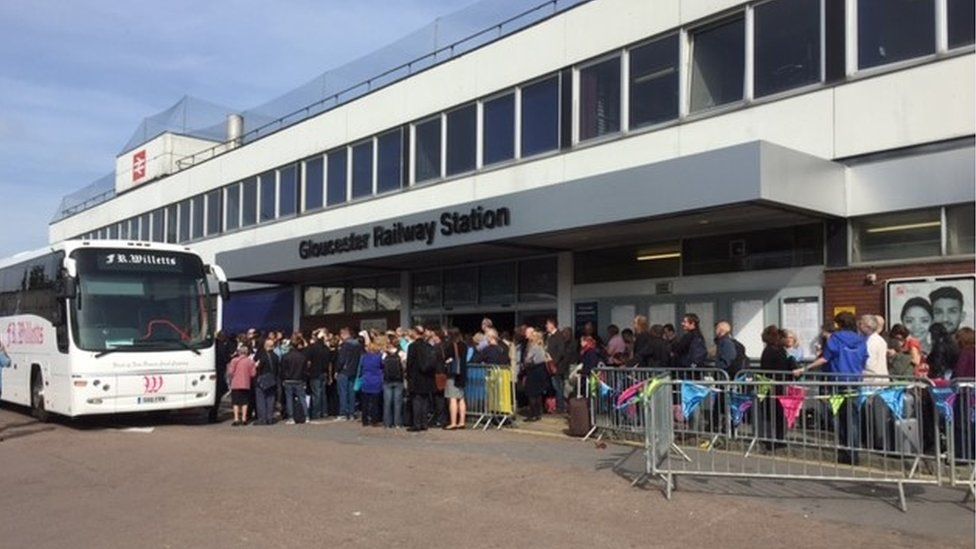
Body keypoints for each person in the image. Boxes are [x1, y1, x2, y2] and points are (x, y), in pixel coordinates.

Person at [793, 312, 867, 465]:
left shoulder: (836, 338)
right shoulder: (861, 340)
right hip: (855, 381)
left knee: (839, 418)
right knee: (853, 418)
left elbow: (825, 358)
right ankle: (854, 453)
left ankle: (845, 451)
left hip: (838, 381)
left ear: (839, 324)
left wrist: (805, 369)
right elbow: (864, 359)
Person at [758, 326, 792, 446]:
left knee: (771, 413)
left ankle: (772, 438)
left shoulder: (768, 350)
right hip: (779, 384)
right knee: (778, 413)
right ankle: (778, 439)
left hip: (769, 384)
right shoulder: (780, 351)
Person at [406, 330, 437, 432]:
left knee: (416, 401)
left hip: (416, 377)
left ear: (415, 334)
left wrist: (408, 375)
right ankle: (424, 423)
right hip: (427, 377)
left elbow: (409, 363)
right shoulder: (429, 346)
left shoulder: (412, 346)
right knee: (425, 401)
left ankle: (417, 424)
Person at [335, 327, 363, 421]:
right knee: (352, 393)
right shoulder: (358, 345)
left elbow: (341, 360)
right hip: (354, 371)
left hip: (344, 371)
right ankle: (352, 413)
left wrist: (337, 370)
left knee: (343, 392)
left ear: (343, 334)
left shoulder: (345, 345)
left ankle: (343, 413)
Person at [443, 328, 468, 429]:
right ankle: (462, 421)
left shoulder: (450, 345)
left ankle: (453, 422)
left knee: (452, 398)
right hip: (462, 373)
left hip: (453, 373)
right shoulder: (464, 345)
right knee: (461, 398)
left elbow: (446, 358)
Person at [280, 337, 309, 424]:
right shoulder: (302, 357)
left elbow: (283, 369)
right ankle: (306, 416)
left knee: (289, 399)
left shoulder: (285, 356)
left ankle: (291, 417)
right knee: (302, 398)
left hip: (288, 380)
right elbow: (305, 370)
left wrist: (283, 378)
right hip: (299, 379)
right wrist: (304, 380)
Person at [226, 344, 257, 426]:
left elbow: (230, 372)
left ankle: (236, 418)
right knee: (244, 402)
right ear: (247, 353)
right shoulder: (250, 361)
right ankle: (244, 418)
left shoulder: (234, 361)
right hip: (246, 384)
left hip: (235, 384)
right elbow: (253, 374)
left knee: (235, 402)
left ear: (239, 352)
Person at [522, 330, 548, 422]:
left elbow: (528, 360)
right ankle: (538, 414)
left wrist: (525, 362)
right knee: (538, 394)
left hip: (533, 372)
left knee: (531, 393)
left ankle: (532, 414)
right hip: (540, 371)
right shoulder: (542, 347)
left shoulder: (534, 348)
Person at [305, 329, 332, 421]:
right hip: (324, 372)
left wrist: (307, 371)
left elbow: (308, 362)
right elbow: (329, 363)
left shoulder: (312, 348)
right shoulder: (326, 348)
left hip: (314, 373)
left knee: (316, 394)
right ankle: (324, 412)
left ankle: (316, 413)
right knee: (323, 393)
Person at [253, 337, 280, 425]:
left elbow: (258, 367)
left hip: (262, 379)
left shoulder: (262, 356)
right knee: (271, 399)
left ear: (265, 346)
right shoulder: (276, 357)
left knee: (261, 399)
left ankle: (262, 419)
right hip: (272, 380)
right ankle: (270, 418)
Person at [544, 319, 568, 413]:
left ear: (552, 325)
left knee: (558, 387)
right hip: (549, 365)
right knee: (554, 387)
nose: (546, 326)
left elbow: (561, 352)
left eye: (547, 324)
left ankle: (560, 406)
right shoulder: (549, 336)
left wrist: (553, 362)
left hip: (556, 367)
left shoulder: (558, 336)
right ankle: (554, 406)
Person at [359, 340, 384, 426]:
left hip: (366, 380)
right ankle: (374, 420)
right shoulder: (378, 357)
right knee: (375, 403)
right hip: (376, 381)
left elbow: (361, 367)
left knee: (365, 403)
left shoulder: (364, 357)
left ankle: (364, 420)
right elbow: (382, 366)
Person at [382, 337, 405, 428]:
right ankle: (397, 423)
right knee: (398, 402)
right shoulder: (401, 353)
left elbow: (382, 365)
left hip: (387, 380)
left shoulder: (384, 354)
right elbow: (404, 366)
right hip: (398, 379)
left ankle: (387, 423)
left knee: (387, 402)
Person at [861, 315, 889, 379]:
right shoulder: (881, 340)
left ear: (867, 327)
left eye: (861, 324)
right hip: (882, 377)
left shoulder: (870, 342)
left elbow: (869, 362)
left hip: (872, 379)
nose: (860, 327)